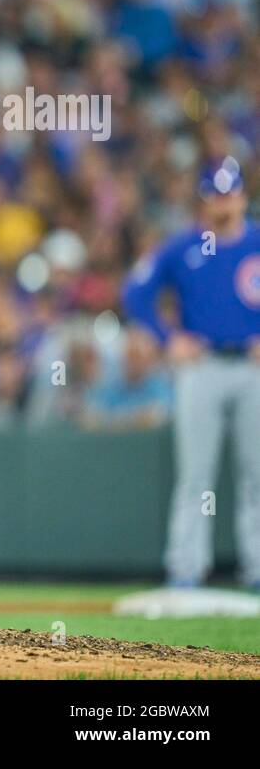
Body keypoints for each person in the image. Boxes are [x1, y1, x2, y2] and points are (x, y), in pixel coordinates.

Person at [122, 158, 260, 590]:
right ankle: (186, 567)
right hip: (201, 367)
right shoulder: (184, 247)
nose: (225, 203)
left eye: (231, 193)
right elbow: (135, 292)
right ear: (203, 200)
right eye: (216, 195)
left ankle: (257, 566)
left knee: (257, 472)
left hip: (252, 367)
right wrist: (168, 337)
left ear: (243, 195)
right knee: (196, 474)